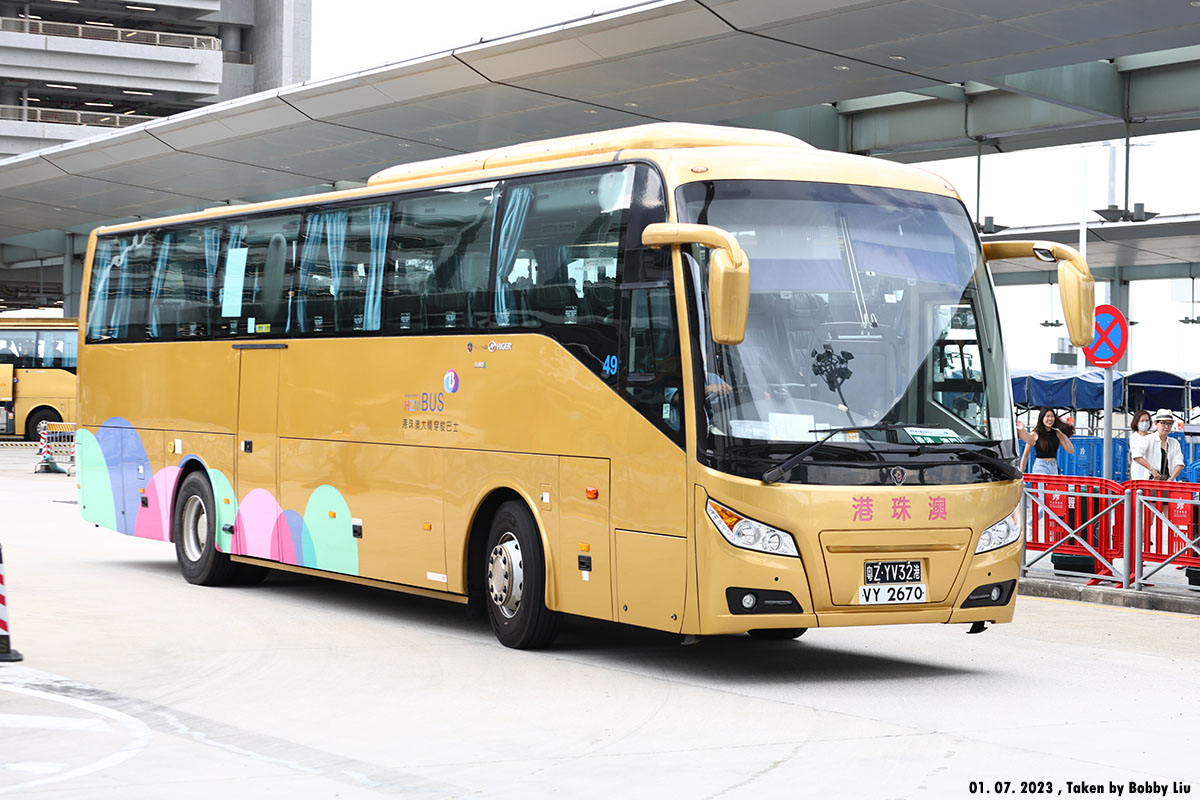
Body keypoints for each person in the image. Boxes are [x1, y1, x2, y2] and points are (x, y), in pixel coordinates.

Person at [1017, 407, 1075, 475]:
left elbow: (1071, 450)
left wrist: (1063, 433)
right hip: (1040, 467)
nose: (1050, 419)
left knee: (1053, 486)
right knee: (1041, 486)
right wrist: (1021, 473)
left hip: (1053, 467)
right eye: (1047, 416)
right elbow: (1025, 455)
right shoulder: (1035, 434)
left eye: (1052, 416)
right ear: (1042, 418)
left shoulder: (1057, 433)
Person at [1132, 408, 1184, 481]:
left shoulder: (1174, 443)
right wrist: (1152, 470)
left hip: (1168, 482)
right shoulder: (1148, 439)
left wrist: (1171, 478)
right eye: (1163, 423)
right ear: (1156, 423)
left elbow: (1179, 463)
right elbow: (1136, 456)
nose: (1167, 426)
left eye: (1170, 423)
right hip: (1151, 480)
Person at [1128, 409, 1155, 480]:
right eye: (1142, 421)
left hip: (1152, 470)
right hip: (1139, 470)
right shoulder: (1134, 437)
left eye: (1147, 420)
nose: (1145, 423)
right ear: (1137, 423)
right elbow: (1138, 455)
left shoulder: (1152, 436)